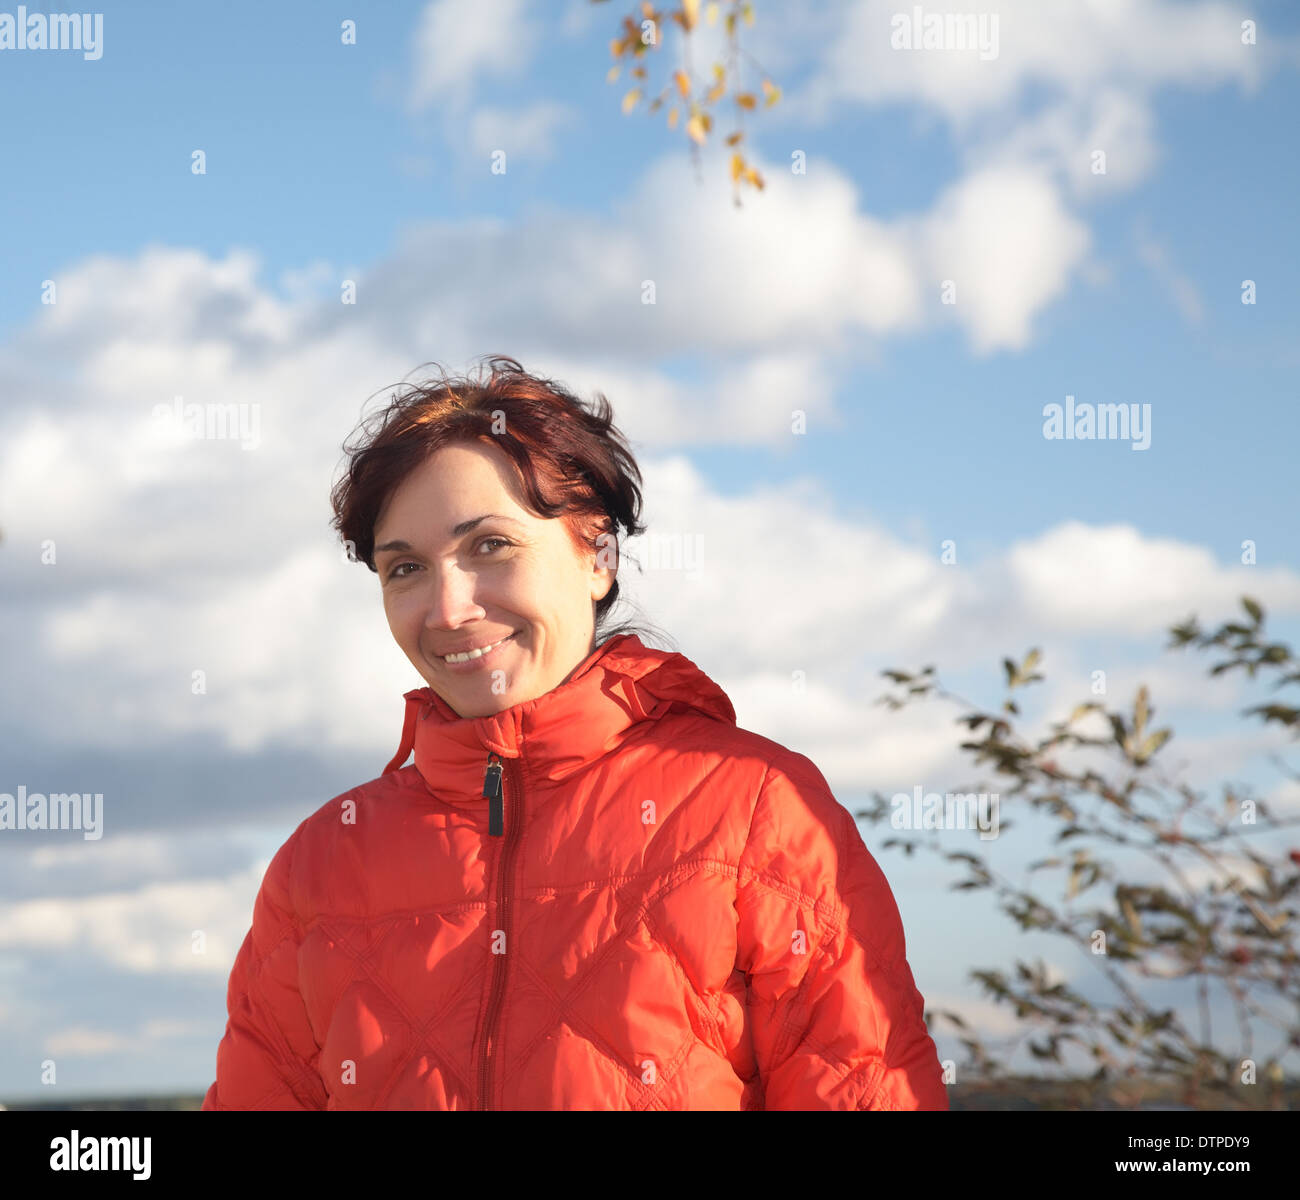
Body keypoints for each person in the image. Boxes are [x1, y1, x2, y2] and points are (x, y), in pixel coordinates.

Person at [202, 356, 948, 1111]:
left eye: (490, 546)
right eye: (405, 569)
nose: (448, 609)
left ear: (598, 555)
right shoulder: (322, 864)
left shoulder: (756, 810)